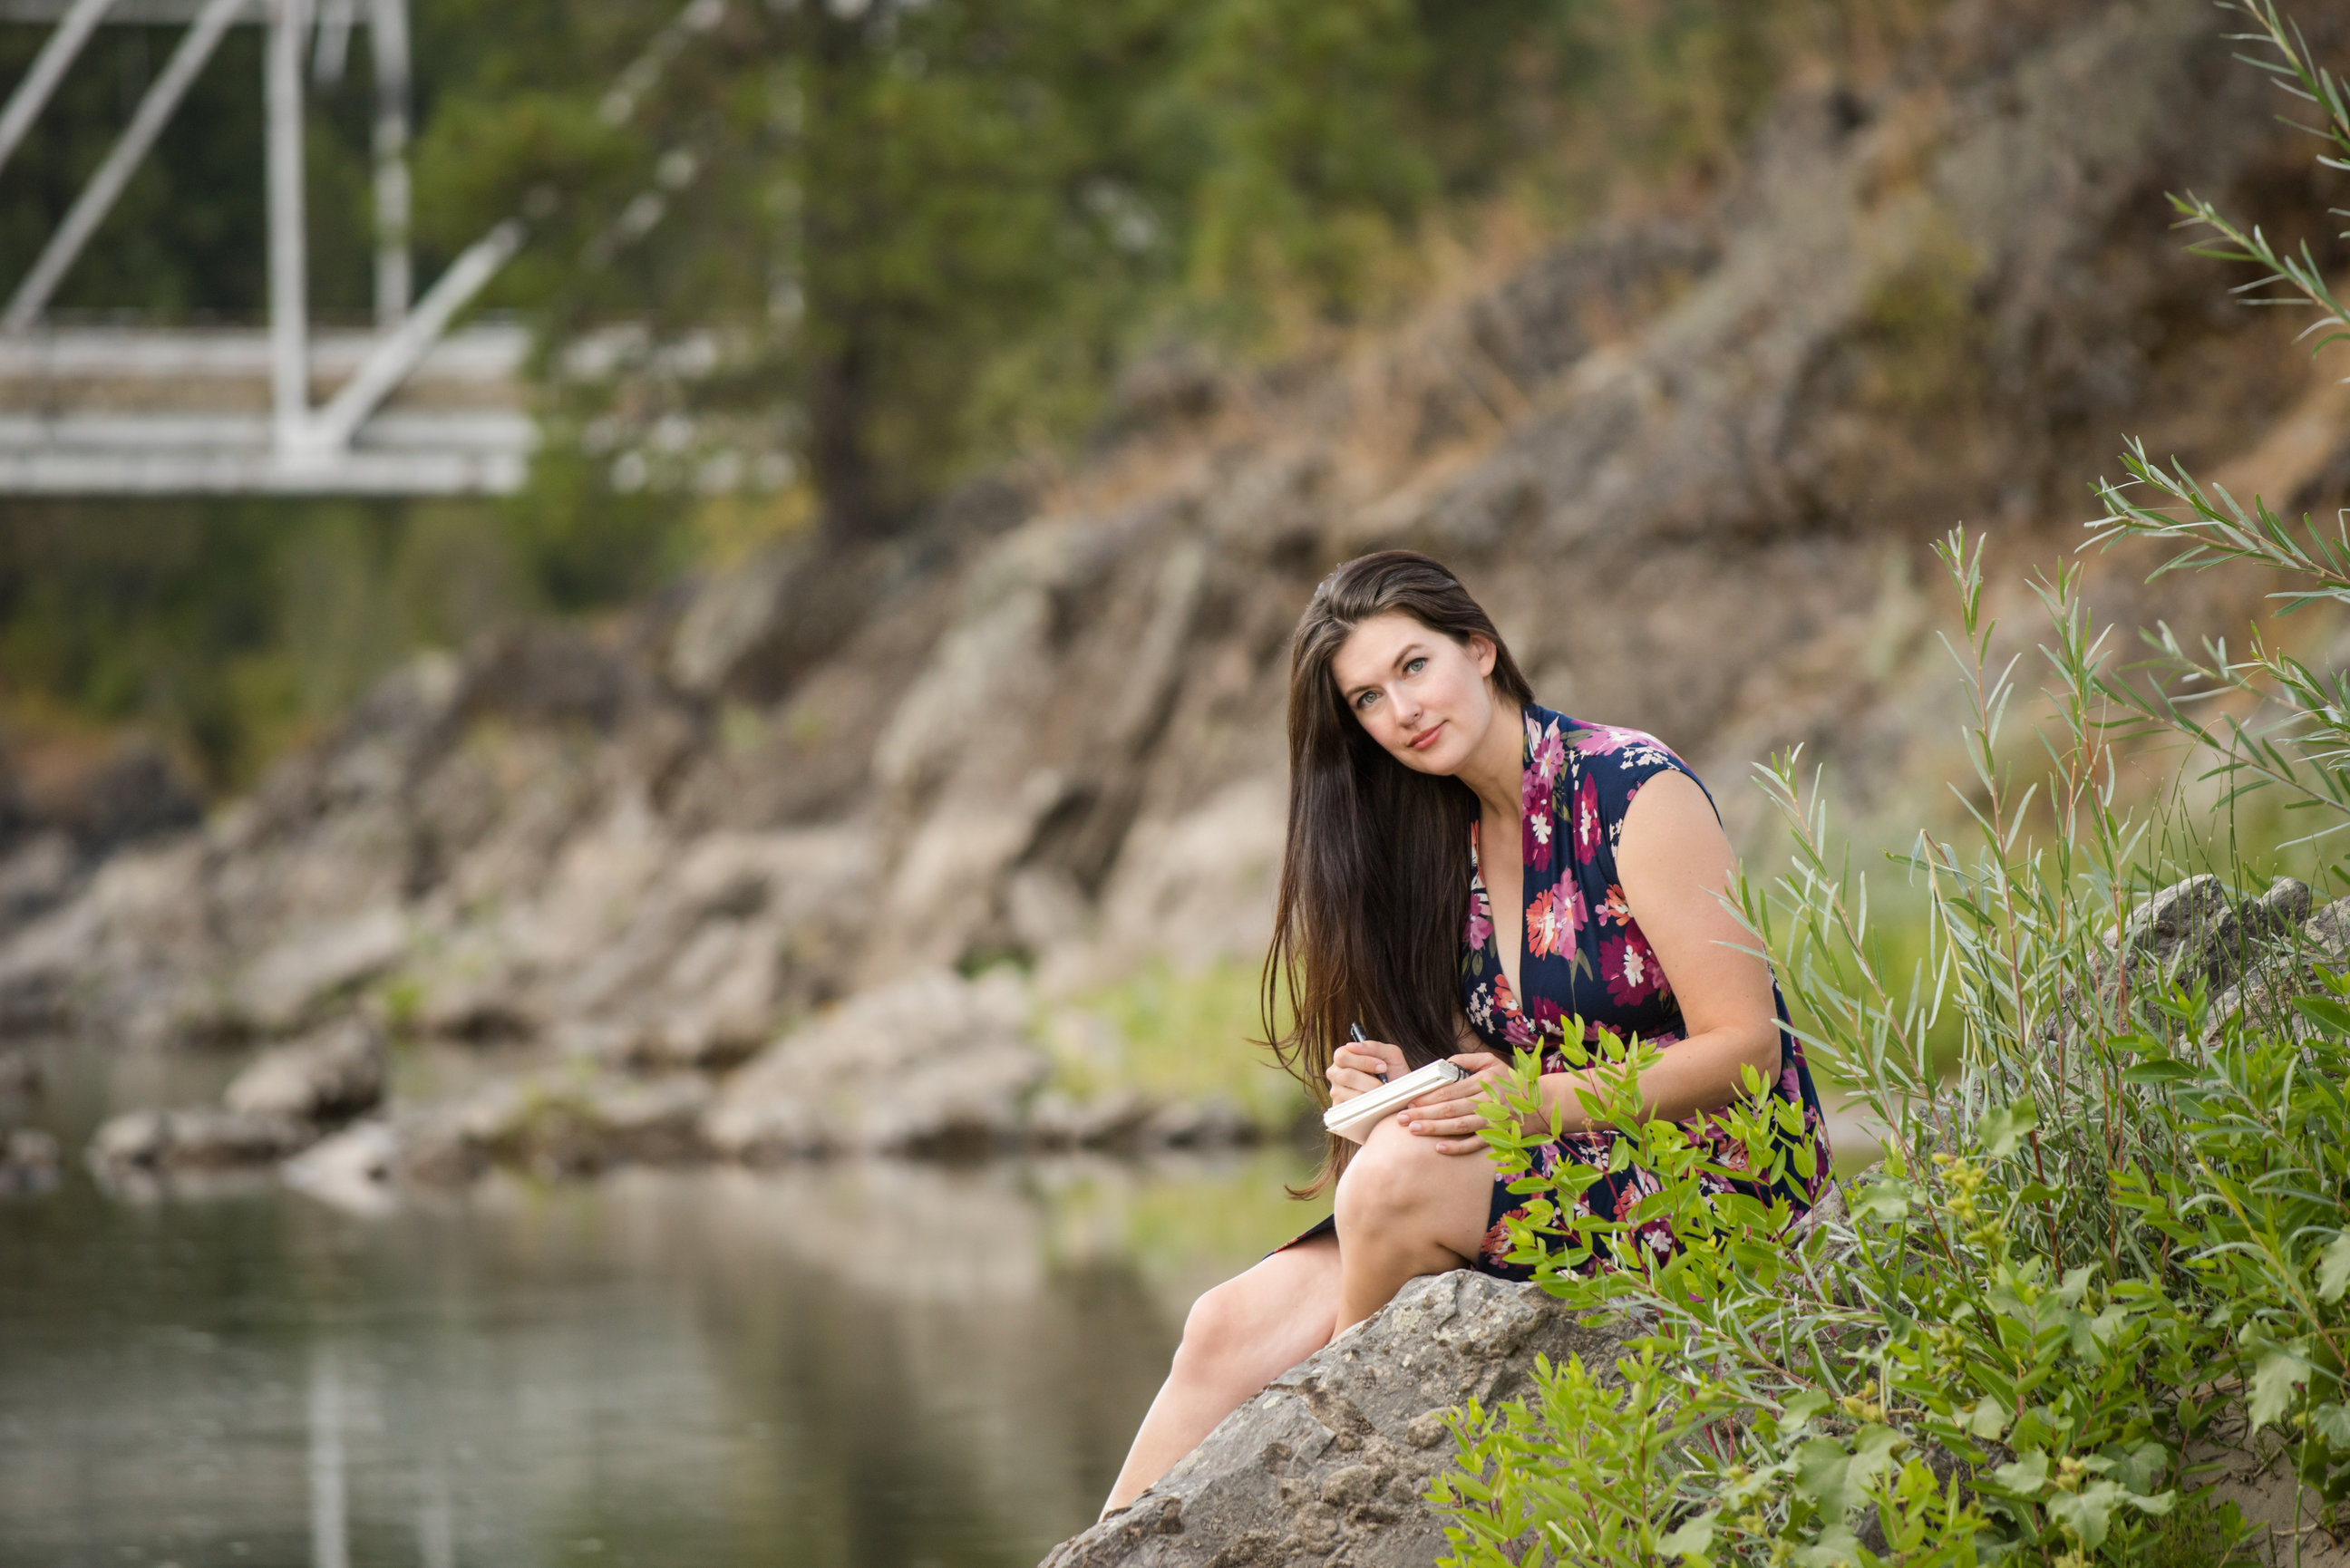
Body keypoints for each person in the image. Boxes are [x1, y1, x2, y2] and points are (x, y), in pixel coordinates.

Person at [1098, 549, 1830, 1515]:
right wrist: (1396, 1087)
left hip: (1716, 1166)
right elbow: (1495, 1056)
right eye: (1367, 698)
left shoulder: (1631, 790)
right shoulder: (1444, 834)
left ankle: (1338, 1487)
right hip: (1556, 1151)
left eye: (1414, 666)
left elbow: (1748, 1048)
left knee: (1388, 1185)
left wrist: (1531, 1105)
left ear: (1478, 649)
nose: (1401, 710)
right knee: (1220, 1325)